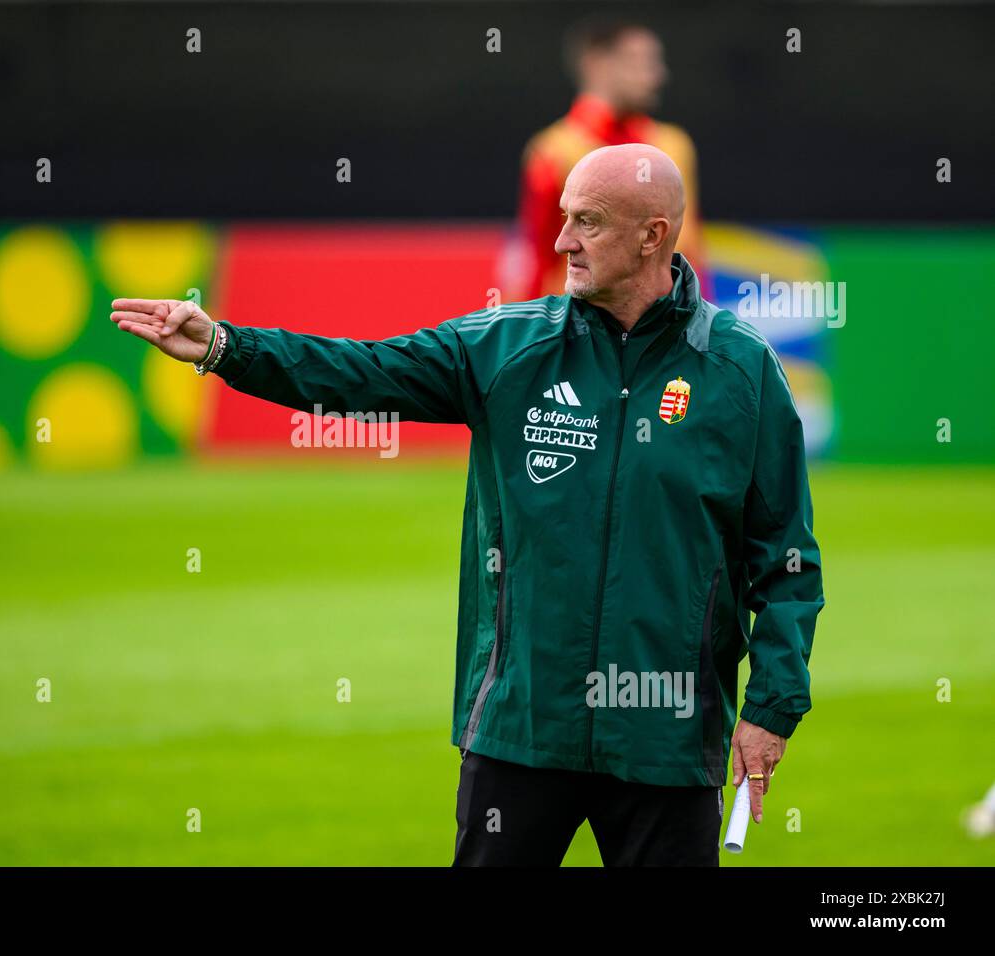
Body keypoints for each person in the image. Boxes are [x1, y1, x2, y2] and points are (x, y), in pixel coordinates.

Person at [109, 143, 823, 866]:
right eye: (564, 217)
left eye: (588, 222)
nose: (562, 240)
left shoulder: (739, 371)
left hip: (666, 738)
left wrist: (770, 708)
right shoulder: (508, 347)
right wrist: (224, 347)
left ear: (653, 236)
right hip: (521, 728)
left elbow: (787, 560)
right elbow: (363, 373)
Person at [501, 19, 711, 303]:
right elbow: (536, 255)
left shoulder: (674, 146)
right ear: (596, 64)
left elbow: (691, 248)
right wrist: (522, 333)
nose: (657, 75)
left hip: (663, 329)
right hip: (580, 330)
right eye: (640, 63)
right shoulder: (554, 151)